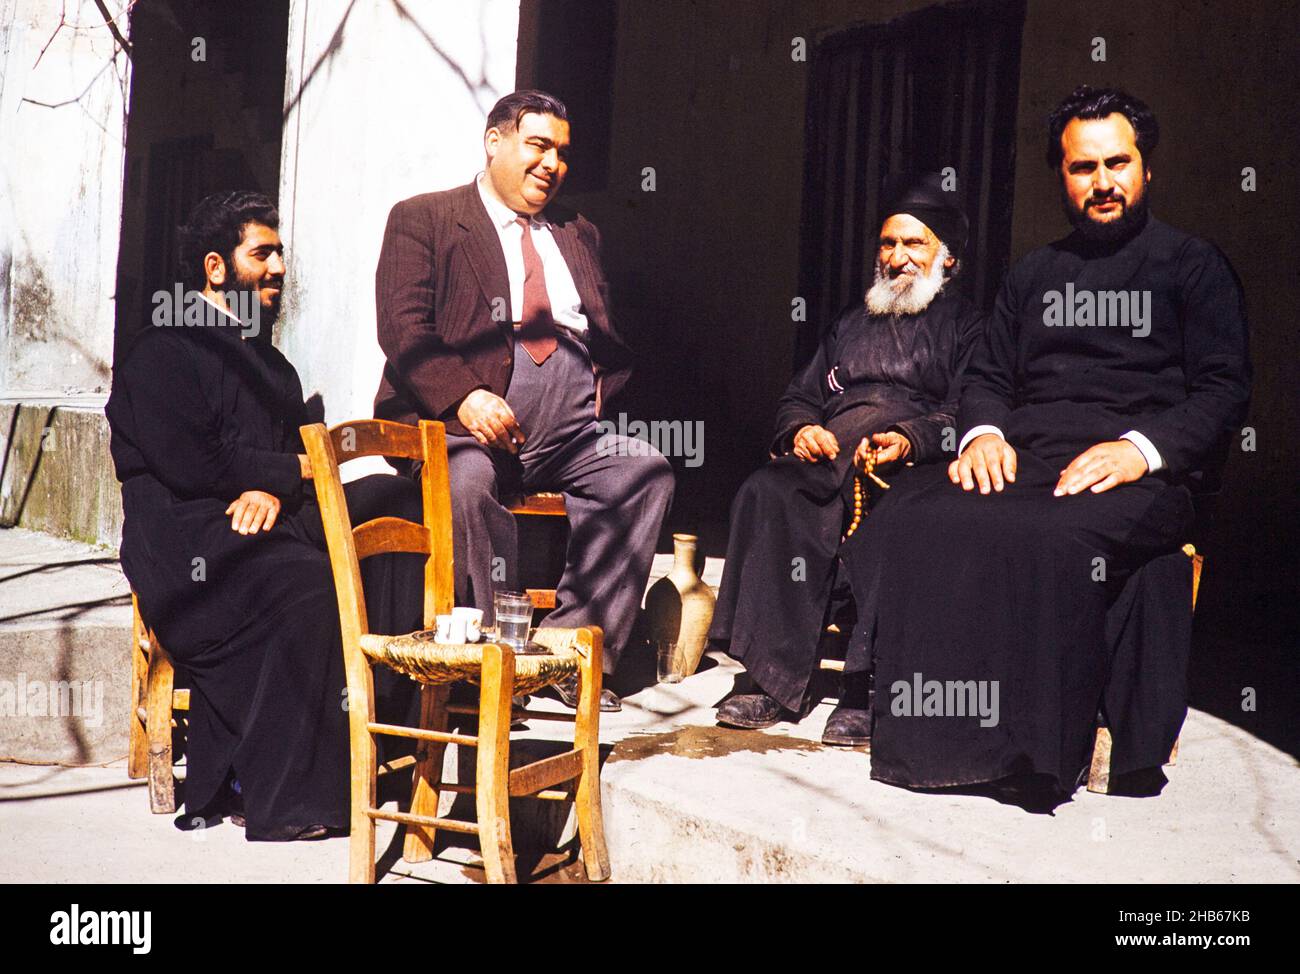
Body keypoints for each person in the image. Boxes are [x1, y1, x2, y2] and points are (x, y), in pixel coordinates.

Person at [844, 87, 1251, 794]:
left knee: (1053, 540)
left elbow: (1223, 391)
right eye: (1082, 168)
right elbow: (989, 376)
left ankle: (1030, 758)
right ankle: (931, 747)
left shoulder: (1193, 266)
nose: (1102, 183)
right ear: (1061, 177)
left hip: (1145, 475)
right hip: (1033, 458)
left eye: (1116, 163)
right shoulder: (1033, 274)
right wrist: (982, 435)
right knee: (918, 515)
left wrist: (1138, 451)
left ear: (1146, 170)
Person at [107, 191, 424, 840]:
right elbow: (190, 461)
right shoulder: (163, 348)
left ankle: (382, 737)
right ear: (217, 268)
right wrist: (286, 475)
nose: (279, 266)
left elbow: (281, 455)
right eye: (263, 253)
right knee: (305, 585)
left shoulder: (272, 366)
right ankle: (288, 800)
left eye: (281, 253)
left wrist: (276, 489)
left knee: (392, 511)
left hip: (265, 516)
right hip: (187, 536)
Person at [373, 89, 674, 711]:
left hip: (568, 432)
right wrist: (464, 398)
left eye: (561, 152)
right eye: (538, 145)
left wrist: (592, 390)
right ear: (495, 141)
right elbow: (403, 326)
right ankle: (491, 666)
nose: (552, 164)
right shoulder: (425, 217)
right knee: (466, 484)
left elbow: (605, 332)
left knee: (644, 471)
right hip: (461, 428)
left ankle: (570, 652)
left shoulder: (577, 231)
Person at [711, 174, 983, 745]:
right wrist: (801, 428)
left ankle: (870, 687)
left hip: (906, 461)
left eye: (914, 244)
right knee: (767, 491)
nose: (898, 257)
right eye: (888, 244)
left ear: (947, 259)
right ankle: (770, 678)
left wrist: (912, 438)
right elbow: (801, 395)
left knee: (898, 518)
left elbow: (970, 411)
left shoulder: (967, 326)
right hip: (829, 454)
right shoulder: (849, 322)